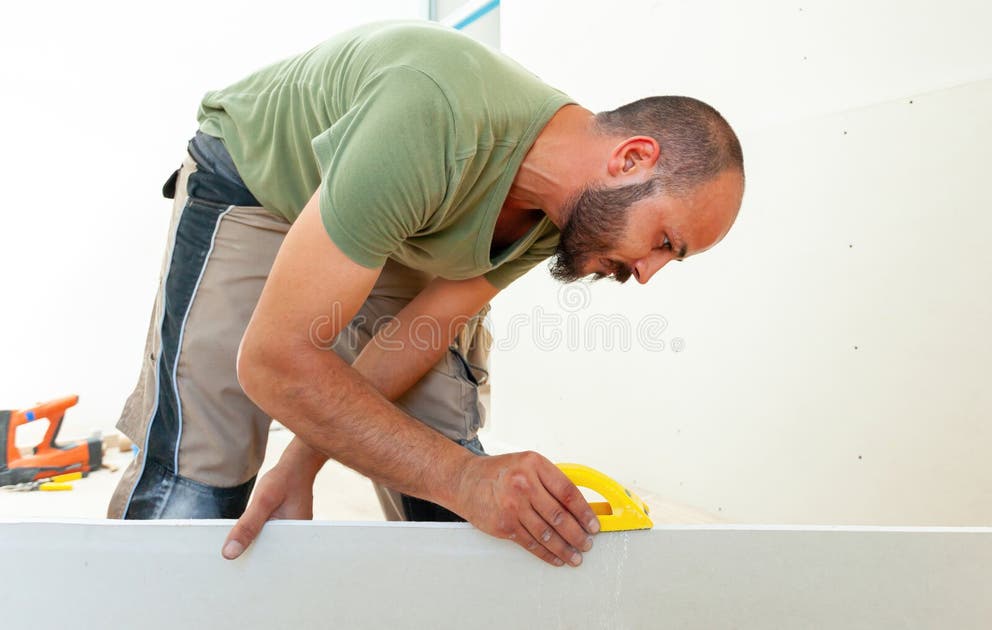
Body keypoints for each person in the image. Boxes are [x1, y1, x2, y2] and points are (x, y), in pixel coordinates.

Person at [107, 20, 744, 569]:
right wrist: (466, 480)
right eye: (665, 242)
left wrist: (300, 466)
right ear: (632, 158)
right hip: (260, 181)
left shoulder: (563, 217)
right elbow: (274, 362)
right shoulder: (432, 113)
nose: (648, 274)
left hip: (396, 214)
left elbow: (413, 337)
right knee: (201, 474)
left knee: (438, 456)